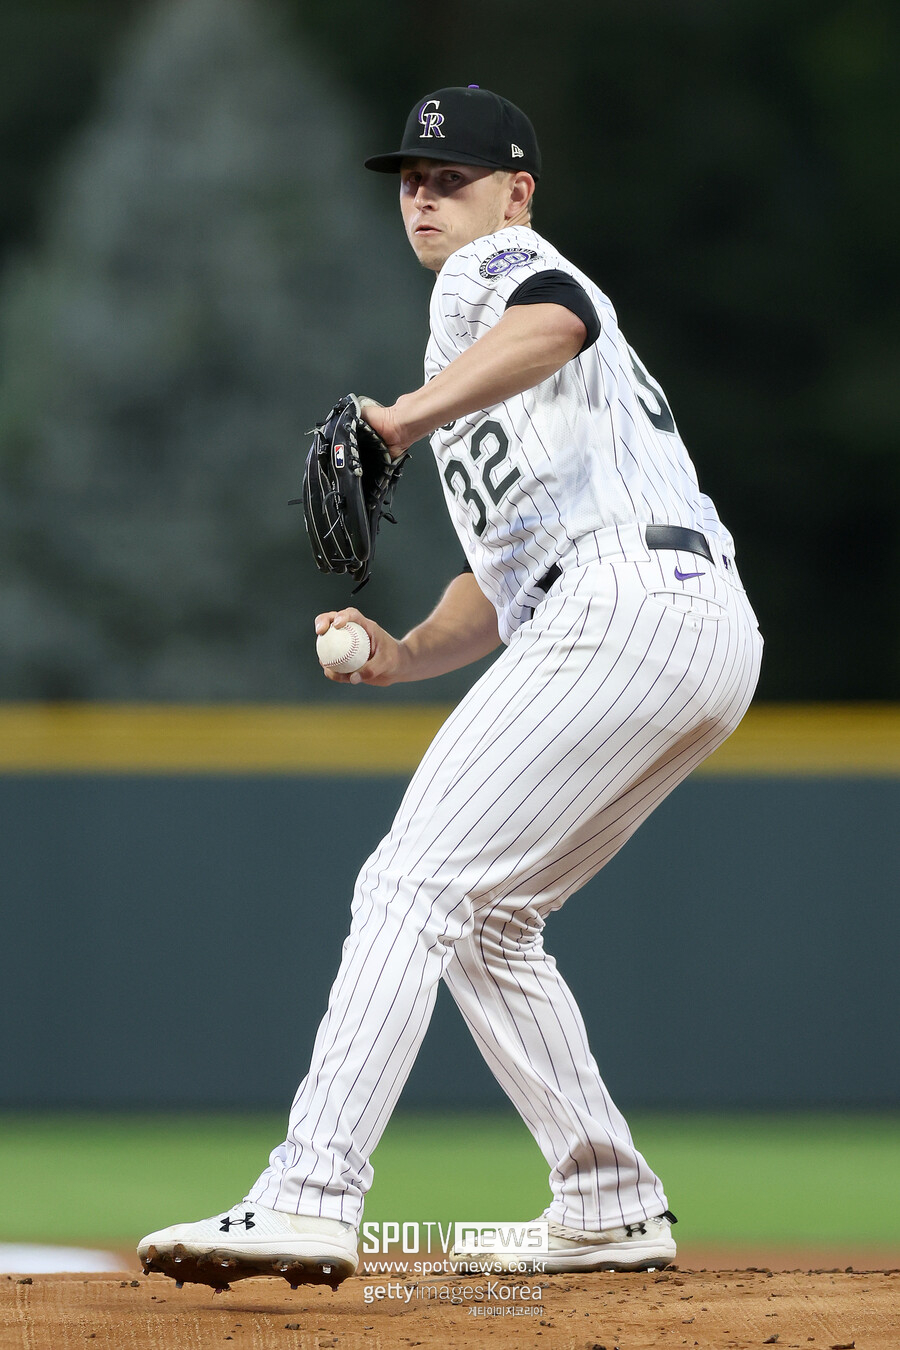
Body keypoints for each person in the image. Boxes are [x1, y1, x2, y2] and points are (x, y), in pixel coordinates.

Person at [139, 85, 762, 1289]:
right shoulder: (474, 344)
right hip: (679, 622)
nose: (425, 195)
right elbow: (510, 573)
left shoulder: (500, 272)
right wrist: (402, 650)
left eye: (453, 177)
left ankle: (311, 1194)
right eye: (412, 180)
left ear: (515, 191)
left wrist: (402, 422)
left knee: (409, 881)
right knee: (488, 918)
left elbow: (563, 310)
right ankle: (606, 1202)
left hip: (628, 606)